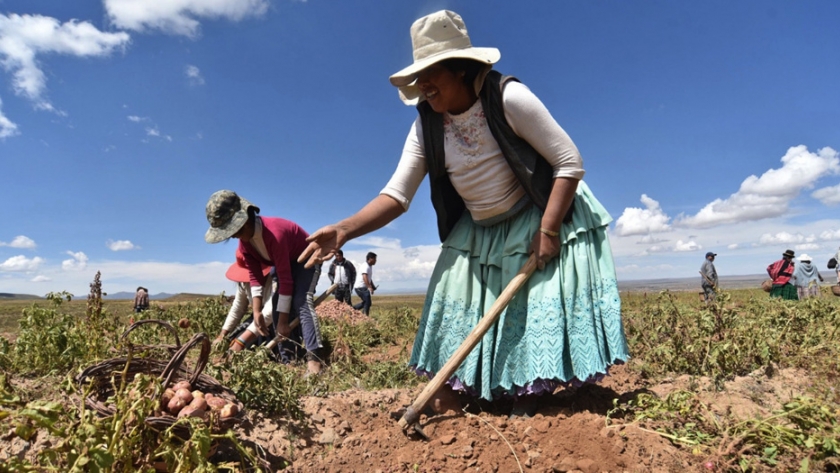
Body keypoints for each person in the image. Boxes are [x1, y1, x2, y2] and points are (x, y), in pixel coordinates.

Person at [298, 10, 629, 417]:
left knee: (528, 311)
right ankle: (455, 393)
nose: (423, 88)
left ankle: (527, 397)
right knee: (449, 297)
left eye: (430, 76)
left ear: (459, 69)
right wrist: (345, 230)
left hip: (538, 213)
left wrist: (549, 228)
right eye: (419, 80)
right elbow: (397, 195)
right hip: (478, 228)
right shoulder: (426, 126)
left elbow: (569, 162)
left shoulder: (508, 97)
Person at [205, 190, 325, 376]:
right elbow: (255, 277)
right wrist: (256, 311)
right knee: (278, 309)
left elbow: (286, 279)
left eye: (233, 231)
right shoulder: (245, 245)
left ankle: (314, 360)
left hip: (306, 260)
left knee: (302, 301)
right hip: (281, 264)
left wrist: (284, 321)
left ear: (244, 222)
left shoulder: (275, 234)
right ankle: (289, 361)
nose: (234, 236)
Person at [213, 248, 276, 351]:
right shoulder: (244, 283)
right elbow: (238, 307)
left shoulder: (275, 279)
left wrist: (241, 342)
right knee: (231, 341)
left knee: (252, 347)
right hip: (257, 319)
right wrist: (222, 335)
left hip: (277, 319)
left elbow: (271, 310)